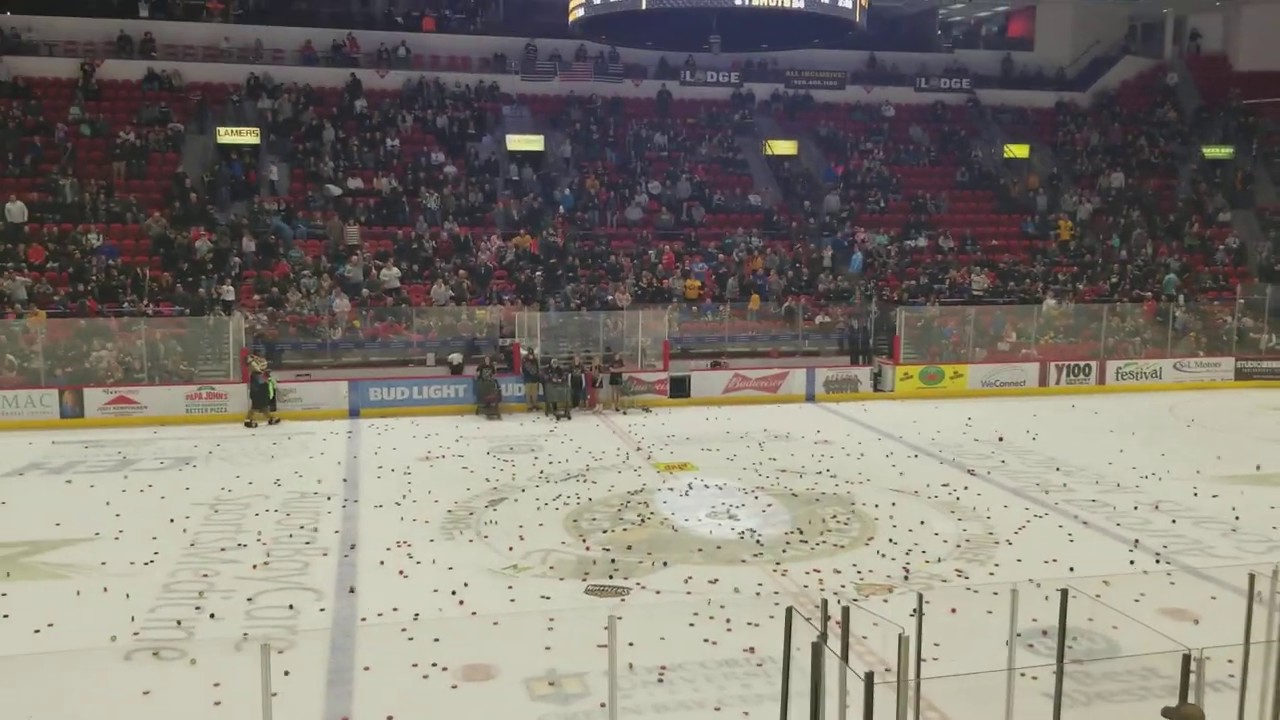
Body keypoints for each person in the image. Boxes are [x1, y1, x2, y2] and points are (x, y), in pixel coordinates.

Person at [244, 355, 281, 428]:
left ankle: (271, 418)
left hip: (261, 394)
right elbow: (262, 382)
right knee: (257, 408)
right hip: (258, 394)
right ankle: (249, 419)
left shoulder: (260, 374)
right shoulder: (257, 374)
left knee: (262, 408)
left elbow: (265, 382)